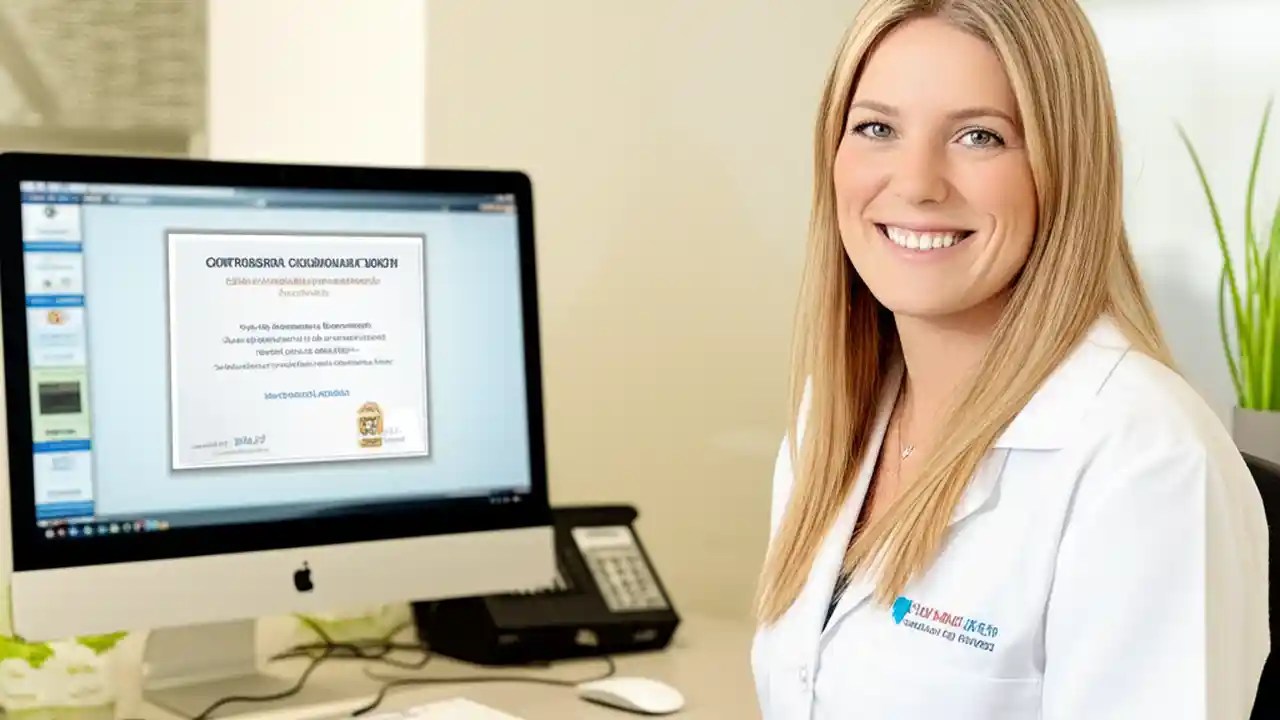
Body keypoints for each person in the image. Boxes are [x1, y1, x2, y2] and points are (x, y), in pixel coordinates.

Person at [750, 1, 1270, 718]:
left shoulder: (1146, 461)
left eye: (978, 136)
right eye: (877, 128)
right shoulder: (835, 415)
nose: (917, 182)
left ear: (1063, 166)